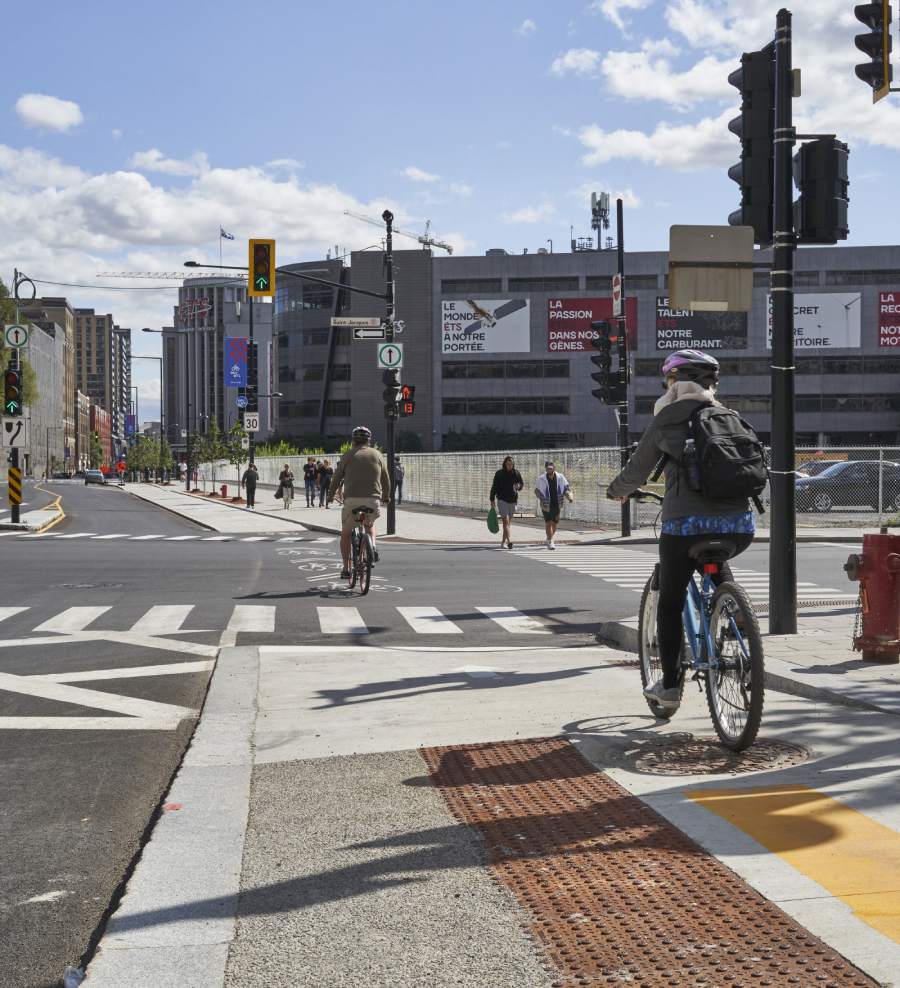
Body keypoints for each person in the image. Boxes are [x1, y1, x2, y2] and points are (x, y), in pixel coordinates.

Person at [606, 349, 755, 711]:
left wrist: (615, 492)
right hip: (739, 525)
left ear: (674, 384)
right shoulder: (730, 417)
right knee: (717, 558)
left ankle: (671, 688)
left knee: (670, 604)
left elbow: (636, 472)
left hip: (684, 527)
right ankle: (735, 611)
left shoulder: (666, 421)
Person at [327, 425, 391, 579]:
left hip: (351, 501)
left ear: (353, 440)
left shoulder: (347, 455)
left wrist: (329, 496)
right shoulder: (377, 454)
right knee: (369, 525)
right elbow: (385, 478)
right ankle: (373, 547)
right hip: (373, 500)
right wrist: (386, 496)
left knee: (346, 533)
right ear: (369, 441)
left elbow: (336, 478)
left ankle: (346, 569)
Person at [535, 460, 572, 550]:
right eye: (547, 468)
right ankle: (551, 542)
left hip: (557, 504)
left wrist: (570, 497)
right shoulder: (542, 478)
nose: (549, 470)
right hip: (546, 505)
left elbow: (567, 489)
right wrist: (542, 498)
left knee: (555, 524)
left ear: (553, 468)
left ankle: (548, 538)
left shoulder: (560, 477)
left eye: (550, 468)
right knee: (549, 523)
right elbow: (537, 490)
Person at [489, 456, 524, 550]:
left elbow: (521, 484)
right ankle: (509, 541)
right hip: (501, 500)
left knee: (507, 524)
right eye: (508, 464)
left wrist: (518, 486)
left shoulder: (516, 473)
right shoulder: (499, 474)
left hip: (513, 500)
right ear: (505, 464)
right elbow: (494, 487)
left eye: (511, 464)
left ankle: (503, 542)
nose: (510, 466)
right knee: (505, 520)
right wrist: (492, 499)